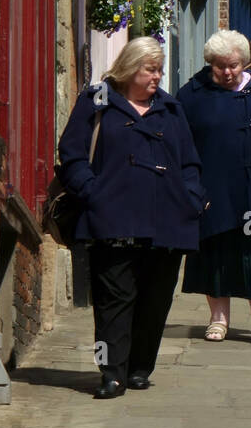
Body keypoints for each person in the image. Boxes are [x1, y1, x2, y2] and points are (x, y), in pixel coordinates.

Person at [57, 38, 205, 398]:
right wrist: (92, 192)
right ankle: (111, 373)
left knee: (155, 300)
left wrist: (193, 197)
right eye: (149, 69)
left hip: (167, 220)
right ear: (129, 68)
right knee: (112, 302)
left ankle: (140, 367)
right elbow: (72, 155)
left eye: (159, 68)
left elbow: (189, 163)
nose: (157, 75)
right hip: (112, 218)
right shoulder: (97, 101)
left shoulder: (171, 109)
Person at [178, 31, 251, 344]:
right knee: (217, 253)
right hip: (215, 190)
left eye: (233, 65)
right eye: (220, 66)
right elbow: (177, 136)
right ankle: (218, 319)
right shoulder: (193, 93)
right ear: (210, 64)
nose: (227, 72)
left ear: (244, 62)